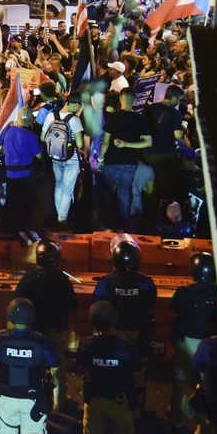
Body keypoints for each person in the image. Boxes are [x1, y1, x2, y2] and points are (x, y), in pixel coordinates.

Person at [0, 298, 60, 434]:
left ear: (9, 316)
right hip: (33, 399)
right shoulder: (42, 342)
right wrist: (55, 397)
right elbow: (56, 372)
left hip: (6, 397)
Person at [14, 240, 78, 406]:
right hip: (55, 331)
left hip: (33, 331)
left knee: (32, 366)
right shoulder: (63, 280)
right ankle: (60, 401)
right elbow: (74, 305)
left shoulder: (29, 278)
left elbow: (16, 302)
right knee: (58, 367)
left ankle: (31, 397)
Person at [76, 301, 141, 434]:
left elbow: (82, 364)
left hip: (94, 401)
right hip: (120, 401)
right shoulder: (126, 347)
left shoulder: (86, 345)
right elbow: (136, 367)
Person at [169, 252, 217, 426]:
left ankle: (176, 420)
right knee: (209, 383)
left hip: (186, 343)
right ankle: (205, 421)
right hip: (210, 346)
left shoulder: (184, 293)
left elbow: (174, 307)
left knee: (181, 381)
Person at [99, 87, 152, 230]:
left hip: (111, 160)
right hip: (130, 162)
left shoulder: (113, 117)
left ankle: (108, 224)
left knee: (108, 192)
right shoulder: (139, 119)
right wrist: (128, 145)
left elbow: (105, 142)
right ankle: (123, 225)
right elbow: (148, 142)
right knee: (124, 192)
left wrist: (100, 159)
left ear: (121, 99)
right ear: (134, 100)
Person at [92, 238, 157, 344]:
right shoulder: (146, 282)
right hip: (139, 333)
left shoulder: (105, 283)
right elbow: (152, 301)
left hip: (113, 334)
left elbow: (97, 306)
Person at [40, 91, 86, 227]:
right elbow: (80, 144)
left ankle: (58, 213)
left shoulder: (50, 116)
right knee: (68, 189)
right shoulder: (74, 120)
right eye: (79, 105)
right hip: (71, 159)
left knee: (59, 185)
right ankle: (62, 219)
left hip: (55, 156)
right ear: (73, 104)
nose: (79, 109)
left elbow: (43, 138)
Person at [0, 107, 43, 232]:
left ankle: (8, 227)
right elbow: (39, 155)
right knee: (23, 201)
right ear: (31, 121)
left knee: (11, 200)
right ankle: (22, 227)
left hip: (9, 172)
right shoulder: (31, 136)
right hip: (25, 174)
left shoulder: (7, 130)